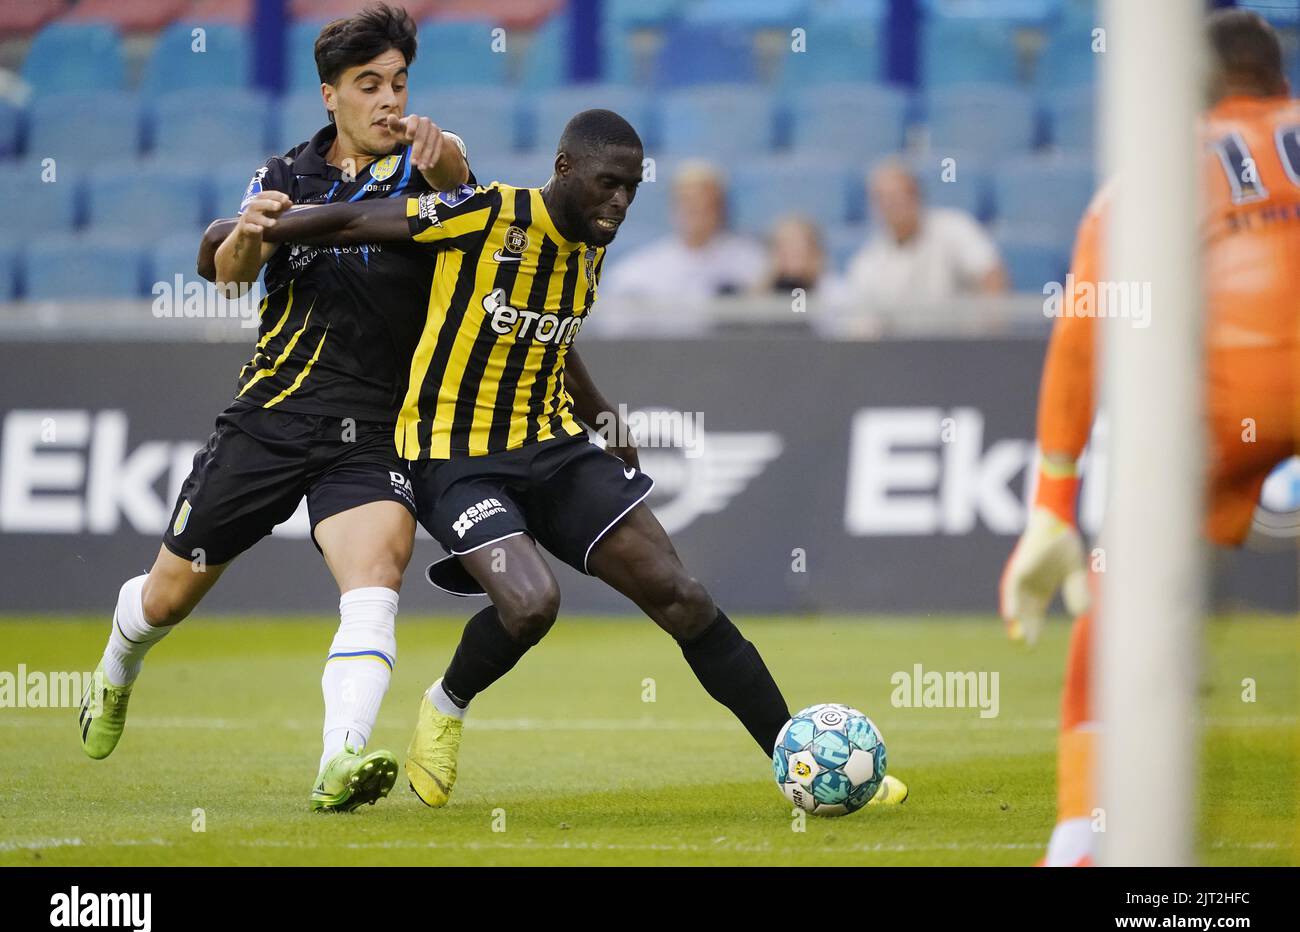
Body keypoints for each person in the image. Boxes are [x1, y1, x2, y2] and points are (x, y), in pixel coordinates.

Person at [235, 108, 911, 810]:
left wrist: (603, 415)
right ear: (565, 170)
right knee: (531, 605)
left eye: (631, 191)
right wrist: (254, 227)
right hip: (452, 455)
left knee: (684, 598)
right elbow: (354, 222)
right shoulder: (487, 214)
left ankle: (800, 759)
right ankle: (446, 703)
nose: (619, 204)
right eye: (607, 185)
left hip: (553, 448)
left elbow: (554, 339)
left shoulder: (589, 243)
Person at [77, 4, 471, 813]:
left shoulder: (423, 166)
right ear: (330, 95)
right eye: (369, 86)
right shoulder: (286, 175)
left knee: (376, 576)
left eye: (398, 82)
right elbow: (229, 274)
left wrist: (445, 160)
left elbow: (459, 184)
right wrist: (252, 234)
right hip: (270, 418)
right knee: (166, 599)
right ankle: (118, 666)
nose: (388, 100)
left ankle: (340, 762)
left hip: (370, 429)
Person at [999, 8, 1300, 866]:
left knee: (1116, 591)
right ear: (1278, 79)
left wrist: (1054, 504)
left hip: (1221, 406)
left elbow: (1081, 336)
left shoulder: (1155, 173)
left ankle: (1082, 837)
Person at [599, 160, 765, 334]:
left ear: (721, 209)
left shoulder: (752, 263)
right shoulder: (638, 270)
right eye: (689, 204)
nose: (697, 213)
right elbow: (615, 330)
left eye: (706, 205)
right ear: (674, 208)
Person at [844, 159, 1006, 332]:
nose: (892, 205)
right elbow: (864, 329)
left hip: (966, 346)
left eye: (899, 196)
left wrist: (990, 334)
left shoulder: (954, 227)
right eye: (883, 199)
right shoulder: (867, 262)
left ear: (916, 195)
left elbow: (990, 273)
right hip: (906, 353)